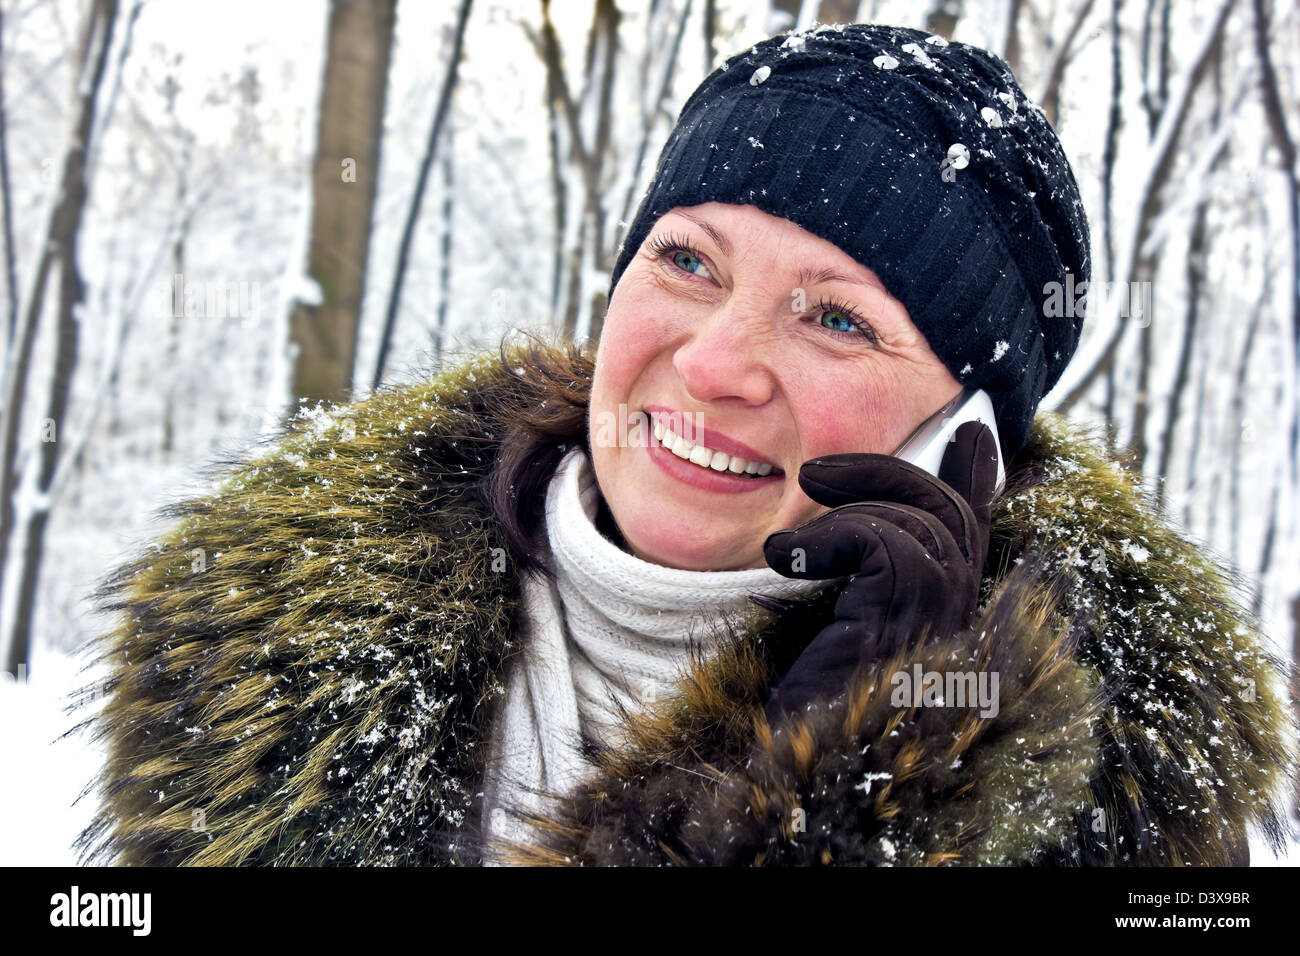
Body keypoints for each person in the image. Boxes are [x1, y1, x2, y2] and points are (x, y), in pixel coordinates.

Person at [75, 22, 1293, 867]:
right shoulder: (269, 647)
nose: (712, 361)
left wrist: (877, 768)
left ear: (961, 435)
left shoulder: (1107, 803)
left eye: (835, 317)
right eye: (688, 260)